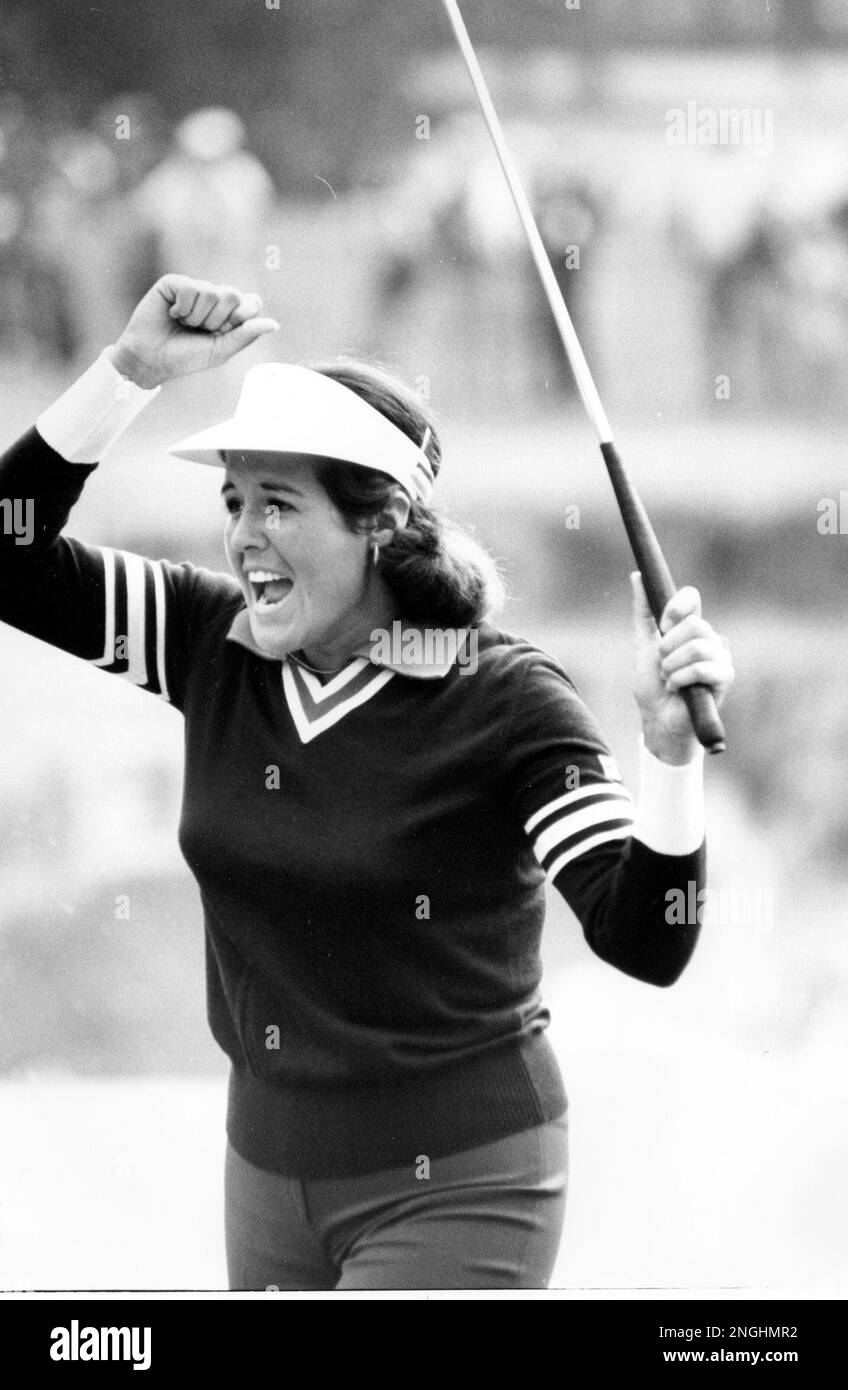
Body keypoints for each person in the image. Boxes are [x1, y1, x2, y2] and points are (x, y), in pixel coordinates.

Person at [0, 274, 734, 1291]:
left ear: (380, 522)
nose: (242, 536)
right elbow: (9, 553)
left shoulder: (504, 698)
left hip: (462, 1179)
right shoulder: (211, 643)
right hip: (262, 1169)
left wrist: (667, 754)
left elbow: (645, 938)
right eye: (233, 501)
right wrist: (127, 374)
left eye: (278, 503)